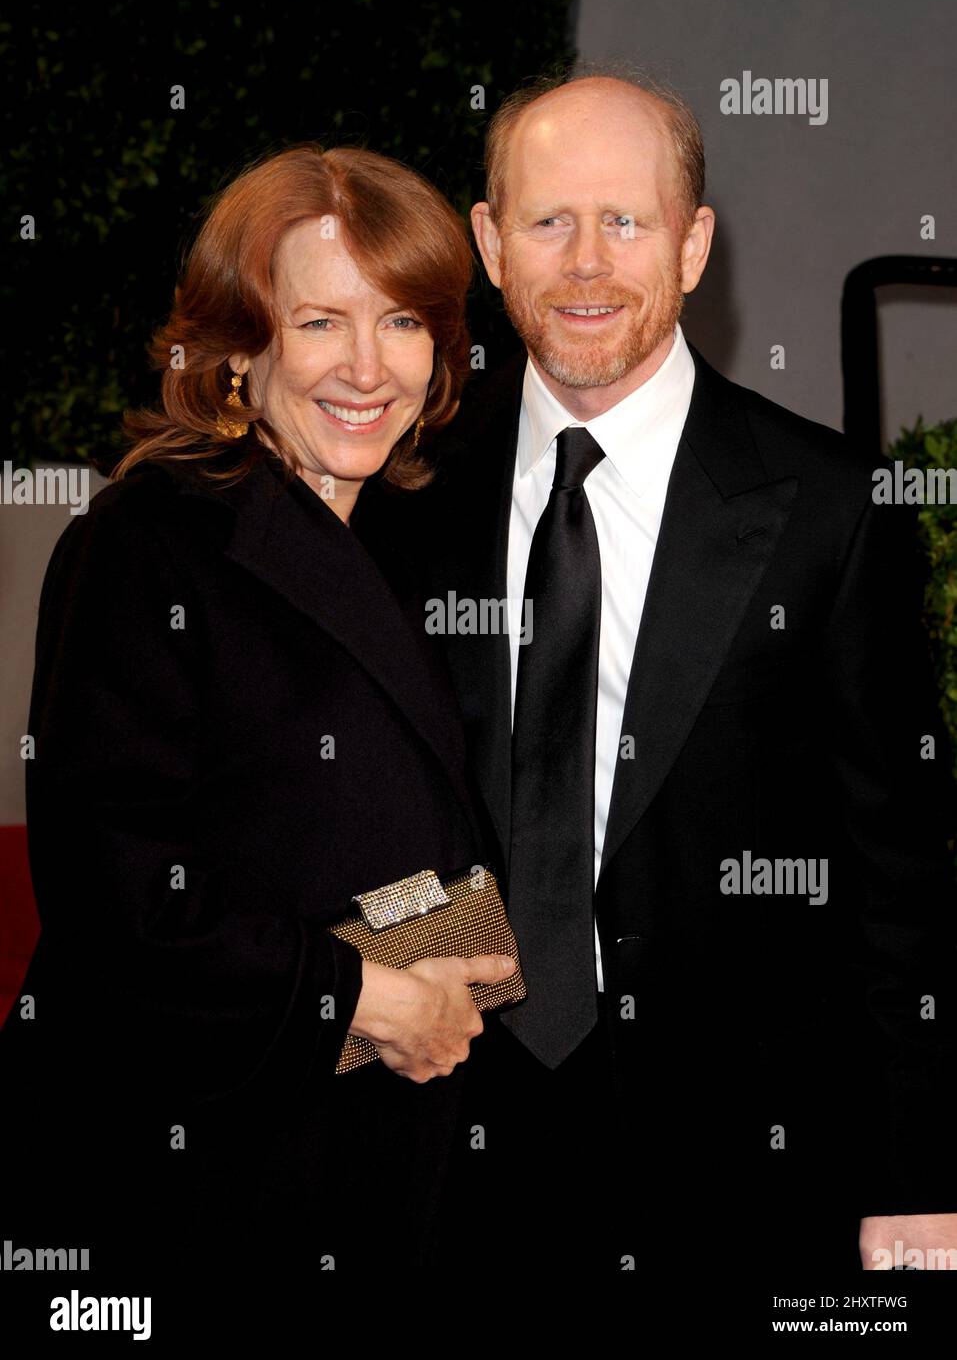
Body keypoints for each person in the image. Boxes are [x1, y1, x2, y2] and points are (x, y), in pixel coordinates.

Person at [401, 68, 957, 1276]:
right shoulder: (403, 492)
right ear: (491, 244)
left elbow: (902, 883)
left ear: (694, 245)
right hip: (453, 1150)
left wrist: (920, 1183)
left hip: (747, 1172)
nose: (587, 263)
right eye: (549, 221)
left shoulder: (830, 510)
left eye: (628, 221)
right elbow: (371, 811)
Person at [0, 142, 517, 1291]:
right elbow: (116, 891)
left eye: (401, 321)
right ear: (239, 345)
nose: (366, 365)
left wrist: (453, 959)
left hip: (372, 1162)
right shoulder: (145, 541)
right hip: (188, 1191)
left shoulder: (400, 542)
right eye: (320, 321)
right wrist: (369, 998)